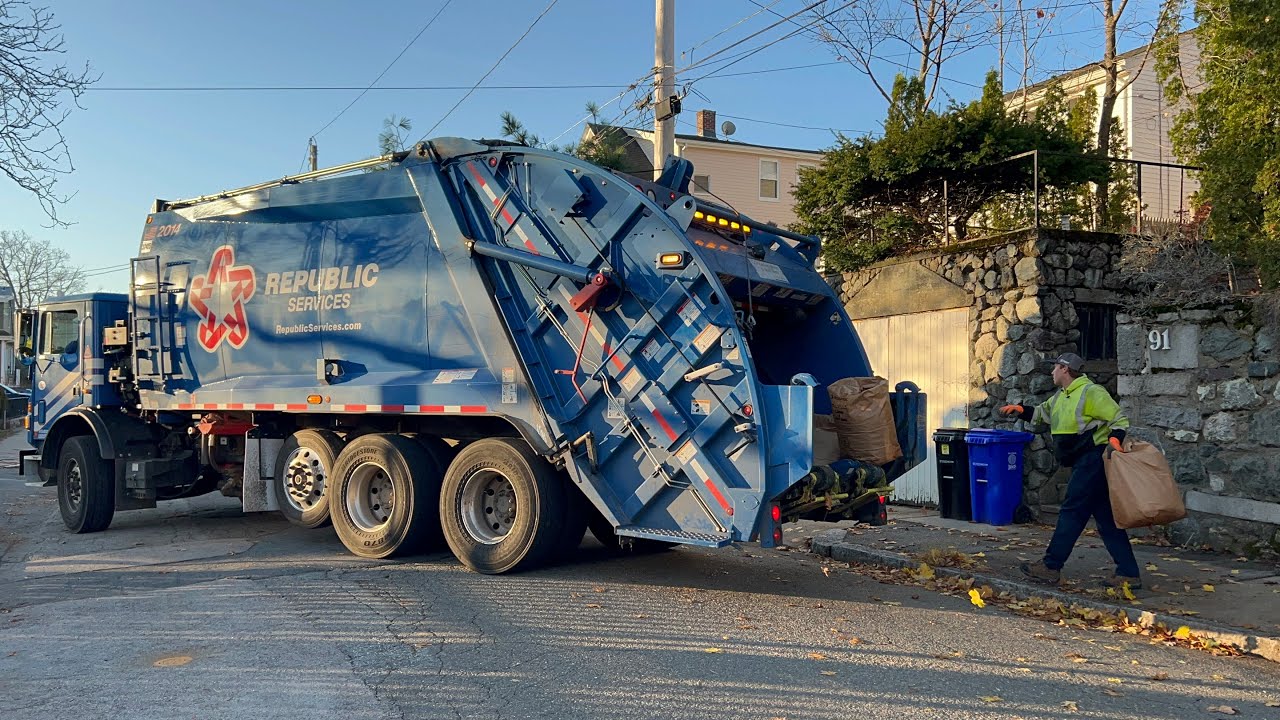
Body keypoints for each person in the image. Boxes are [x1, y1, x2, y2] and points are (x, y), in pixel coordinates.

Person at [999, 352, 1141, 588]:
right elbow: (1042, 413)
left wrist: (1115, 439)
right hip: (1081, 460)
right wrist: (1021, 409)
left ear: (1065, 369)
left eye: (1054, 367)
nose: (1052, 372)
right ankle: (1128, 572)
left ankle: (1051, 566)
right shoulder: (1061, 396)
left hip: (1093, 459)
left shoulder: (1091, 392)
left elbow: (1118, 418)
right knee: (1105, 519)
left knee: (1071, 512)